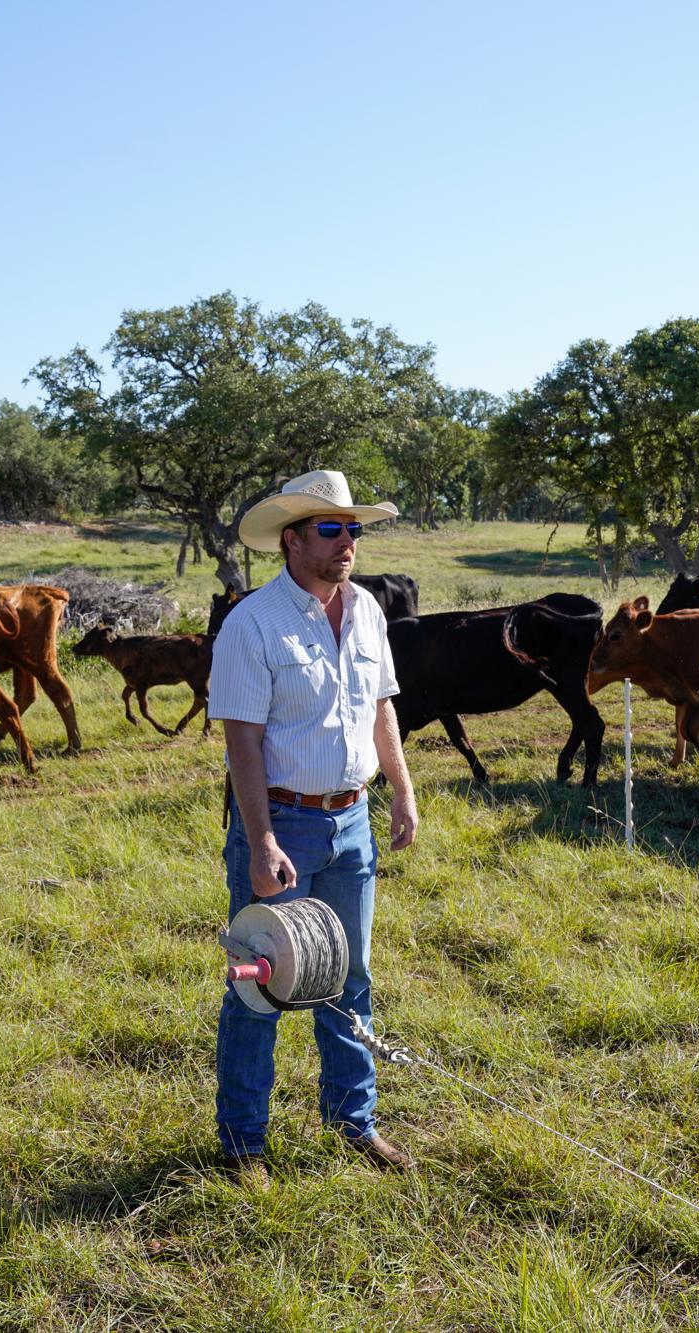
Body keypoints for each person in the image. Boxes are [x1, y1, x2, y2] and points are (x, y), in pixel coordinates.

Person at [207, 470, 420, 1184]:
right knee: (259, 985)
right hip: (284, 821)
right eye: (332, 529)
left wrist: (401, 788)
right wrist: (261, 839)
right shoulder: (252, 623)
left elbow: (381, 706)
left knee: (350, 976)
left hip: (351, 818)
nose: (348, 542)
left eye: (354, 528)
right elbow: (241, 739)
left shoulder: (367, 611)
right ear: (292, 540)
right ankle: (243, 1142)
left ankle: (353, 1121)